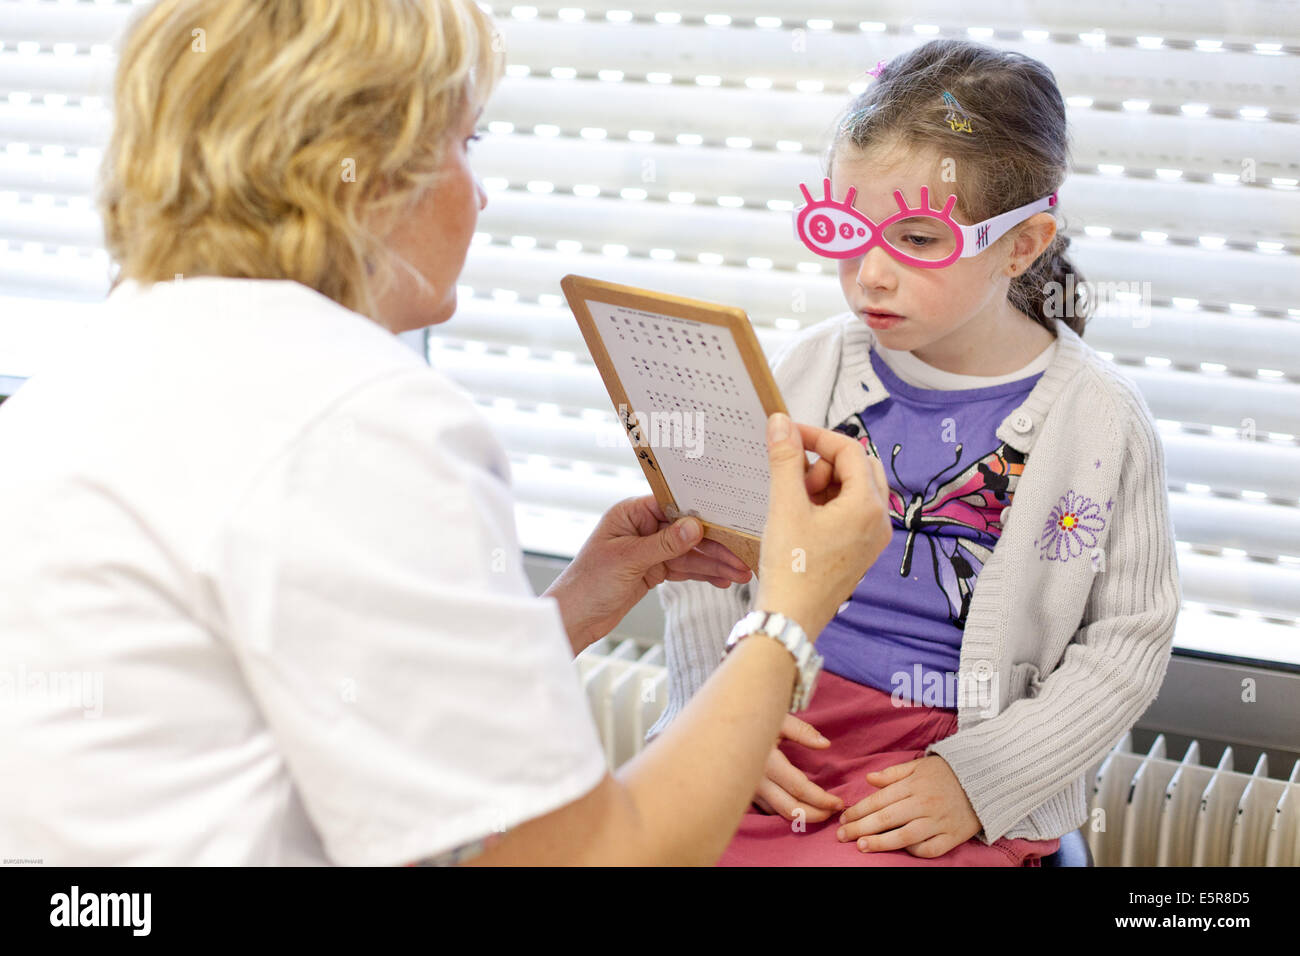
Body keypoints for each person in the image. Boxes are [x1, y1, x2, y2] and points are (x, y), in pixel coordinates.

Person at [0, 0, 893, 866]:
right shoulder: (362, 414)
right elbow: (605, 856)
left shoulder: (99, 369)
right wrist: (788, 611)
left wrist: (574, 605)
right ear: (364, 168)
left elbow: (308, 680)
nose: (483, 194)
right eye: (466, 145)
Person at [650, 39, 1182, 866]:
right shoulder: (811, 367)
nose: (869, 274)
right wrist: (720, 723)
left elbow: (1128, 644)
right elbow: (710, 561)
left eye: (918, 239)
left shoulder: (1101, 420)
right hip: (778, 715)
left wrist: (980, 781)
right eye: (844, 229)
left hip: (957, 756)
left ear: (1022, 243)